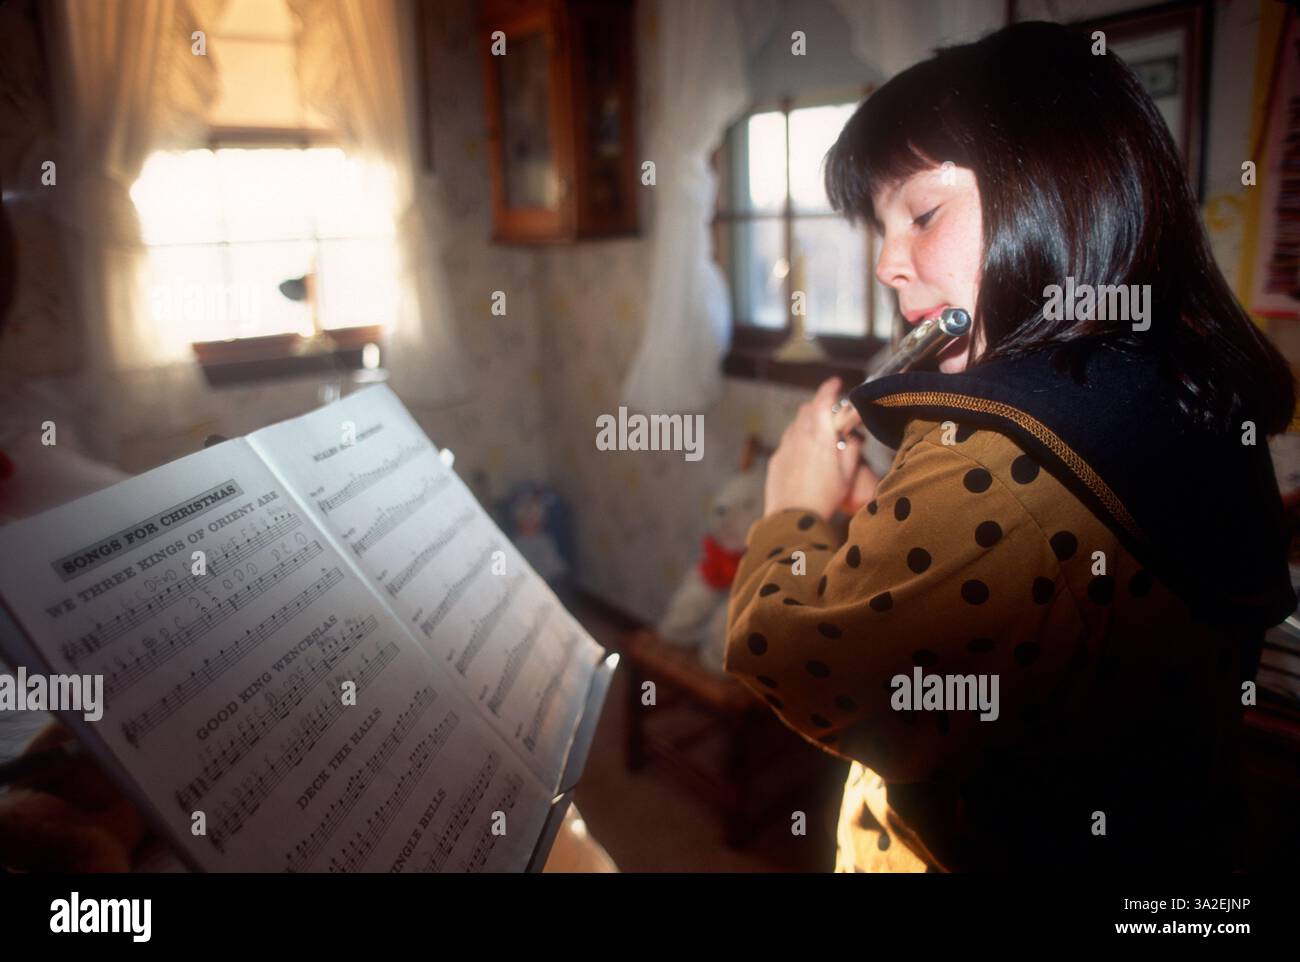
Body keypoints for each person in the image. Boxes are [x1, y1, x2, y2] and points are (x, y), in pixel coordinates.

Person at [725, 21, 1296, 871]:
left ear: (1063, 191)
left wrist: (794, 513)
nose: (887, 263)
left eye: (922, 212)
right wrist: (882, 526)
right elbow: (1045, 590)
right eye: (881, 228)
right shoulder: (1181, 368)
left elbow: (793, 660)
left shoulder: (990, 458)